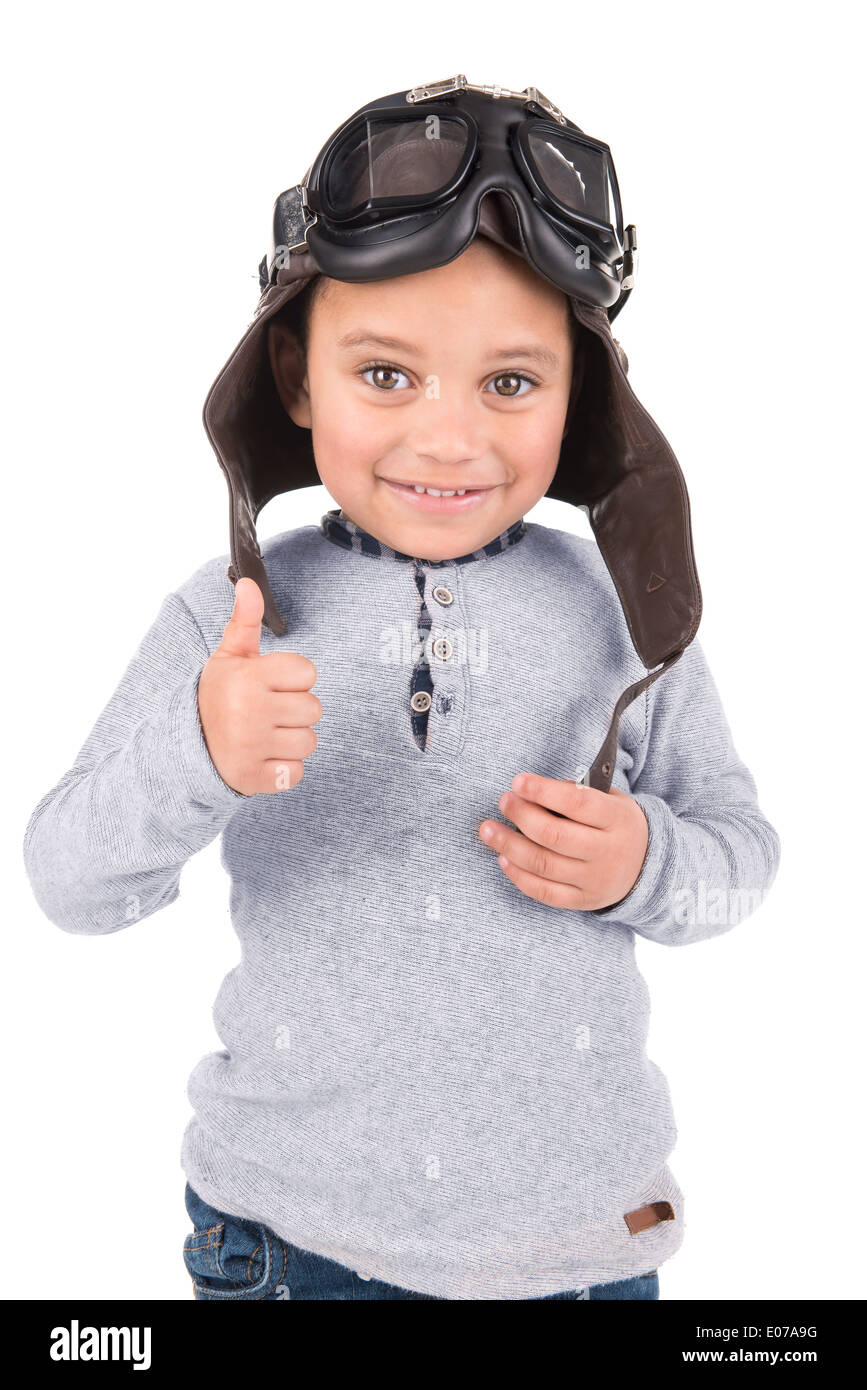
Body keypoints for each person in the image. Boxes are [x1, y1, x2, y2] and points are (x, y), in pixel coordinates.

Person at [23, 77, 781, 1300]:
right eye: (386, 375)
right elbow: (68, 882)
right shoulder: (230, 619)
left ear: (581, 395)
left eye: (511, 383)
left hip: (581, 1253)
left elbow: (742, 851)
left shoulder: (620, 613)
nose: (450, 439)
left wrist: (644, 861)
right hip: (285, 1245)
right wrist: (197, 756)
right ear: (293, 375)